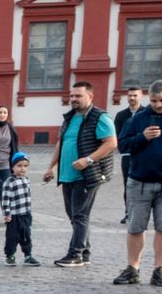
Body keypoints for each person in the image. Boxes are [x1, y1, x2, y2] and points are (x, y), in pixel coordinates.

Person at [114, 80, 162, 288]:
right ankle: (133, 268)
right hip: (139, 181)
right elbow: (123, 145)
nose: (158, 105)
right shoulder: (139, 118)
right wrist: (142, 137)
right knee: (136, 226)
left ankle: (159, 270)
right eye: (154, 101)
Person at [45, 80, 117, 268]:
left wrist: (89, 159)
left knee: (80, 215)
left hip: (88, 174)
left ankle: (75, 254)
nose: (73, 99)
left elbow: (111, 143)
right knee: (74, 215)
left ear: (90, 96)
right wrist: (51, 167)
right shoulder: (69, 118)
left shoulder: (100, 117)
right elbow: (61, 143)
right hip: (67, 174)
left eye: (78, 96)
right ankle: (85, 253)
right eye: (72, 96)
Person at [0, 151, 38, 266]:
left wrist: (29, 213)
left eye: (25, 166)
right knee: (12, 237)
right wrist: (7, 213)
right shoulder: (9, 182)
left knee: (26, 235)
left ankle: (28, 255)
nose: (22, 168)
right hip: (14, 216)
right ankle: (10, 256)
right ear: (12, 167)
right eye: (19, 166)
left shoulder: (26, 180)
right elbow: (5, 199)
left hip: (25, 214)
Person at [114, 86, 145, 225]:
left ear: (141, 96)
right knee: (128, 184)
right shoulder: (121, 115)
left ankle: (142, 212)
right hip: (127, 155)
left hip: (143, 154)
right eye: (130, 95)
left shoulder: (146, 113)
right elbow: (118, 136)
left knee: (144, 184)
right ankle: (128, 212)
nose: (132, 98)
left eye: (135, 95)